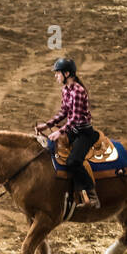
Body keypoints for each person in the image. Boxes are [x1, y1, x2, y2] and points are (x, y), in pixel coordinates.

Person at [37, 58, 100, 210]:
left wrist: (60, 131)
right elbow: (64, 112)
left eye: (57, 73)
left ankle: (92, 196)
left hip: (84, 133)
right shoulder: (66, 89)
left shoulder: (78, 91)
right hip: (72, 130)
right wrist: (48, 125)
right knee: (51, 149)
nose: (55, 76)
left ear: (67, 73)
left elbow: (76, 118)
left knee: (73, 161)